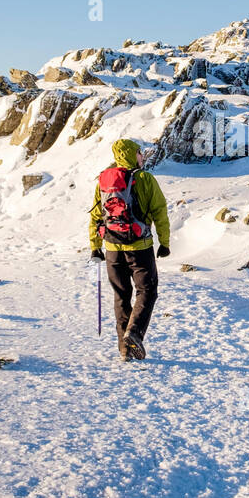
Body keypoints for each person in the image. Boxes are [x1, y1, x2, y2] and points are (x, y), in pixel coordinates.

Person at [89, 139, 171, 361]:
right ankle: (134, 333)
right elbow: (160, 212)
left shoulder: (105, 181)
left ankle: (125, 351)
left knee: (121, 296)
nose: (142, 157)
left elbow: (96, 216)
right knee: (147, 291)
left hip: (112, 248)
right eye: (139, 153)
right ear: (132, 155)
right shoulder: (144, 179)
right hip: (139, 247)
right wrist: (164, 243)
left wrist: (95, 247)